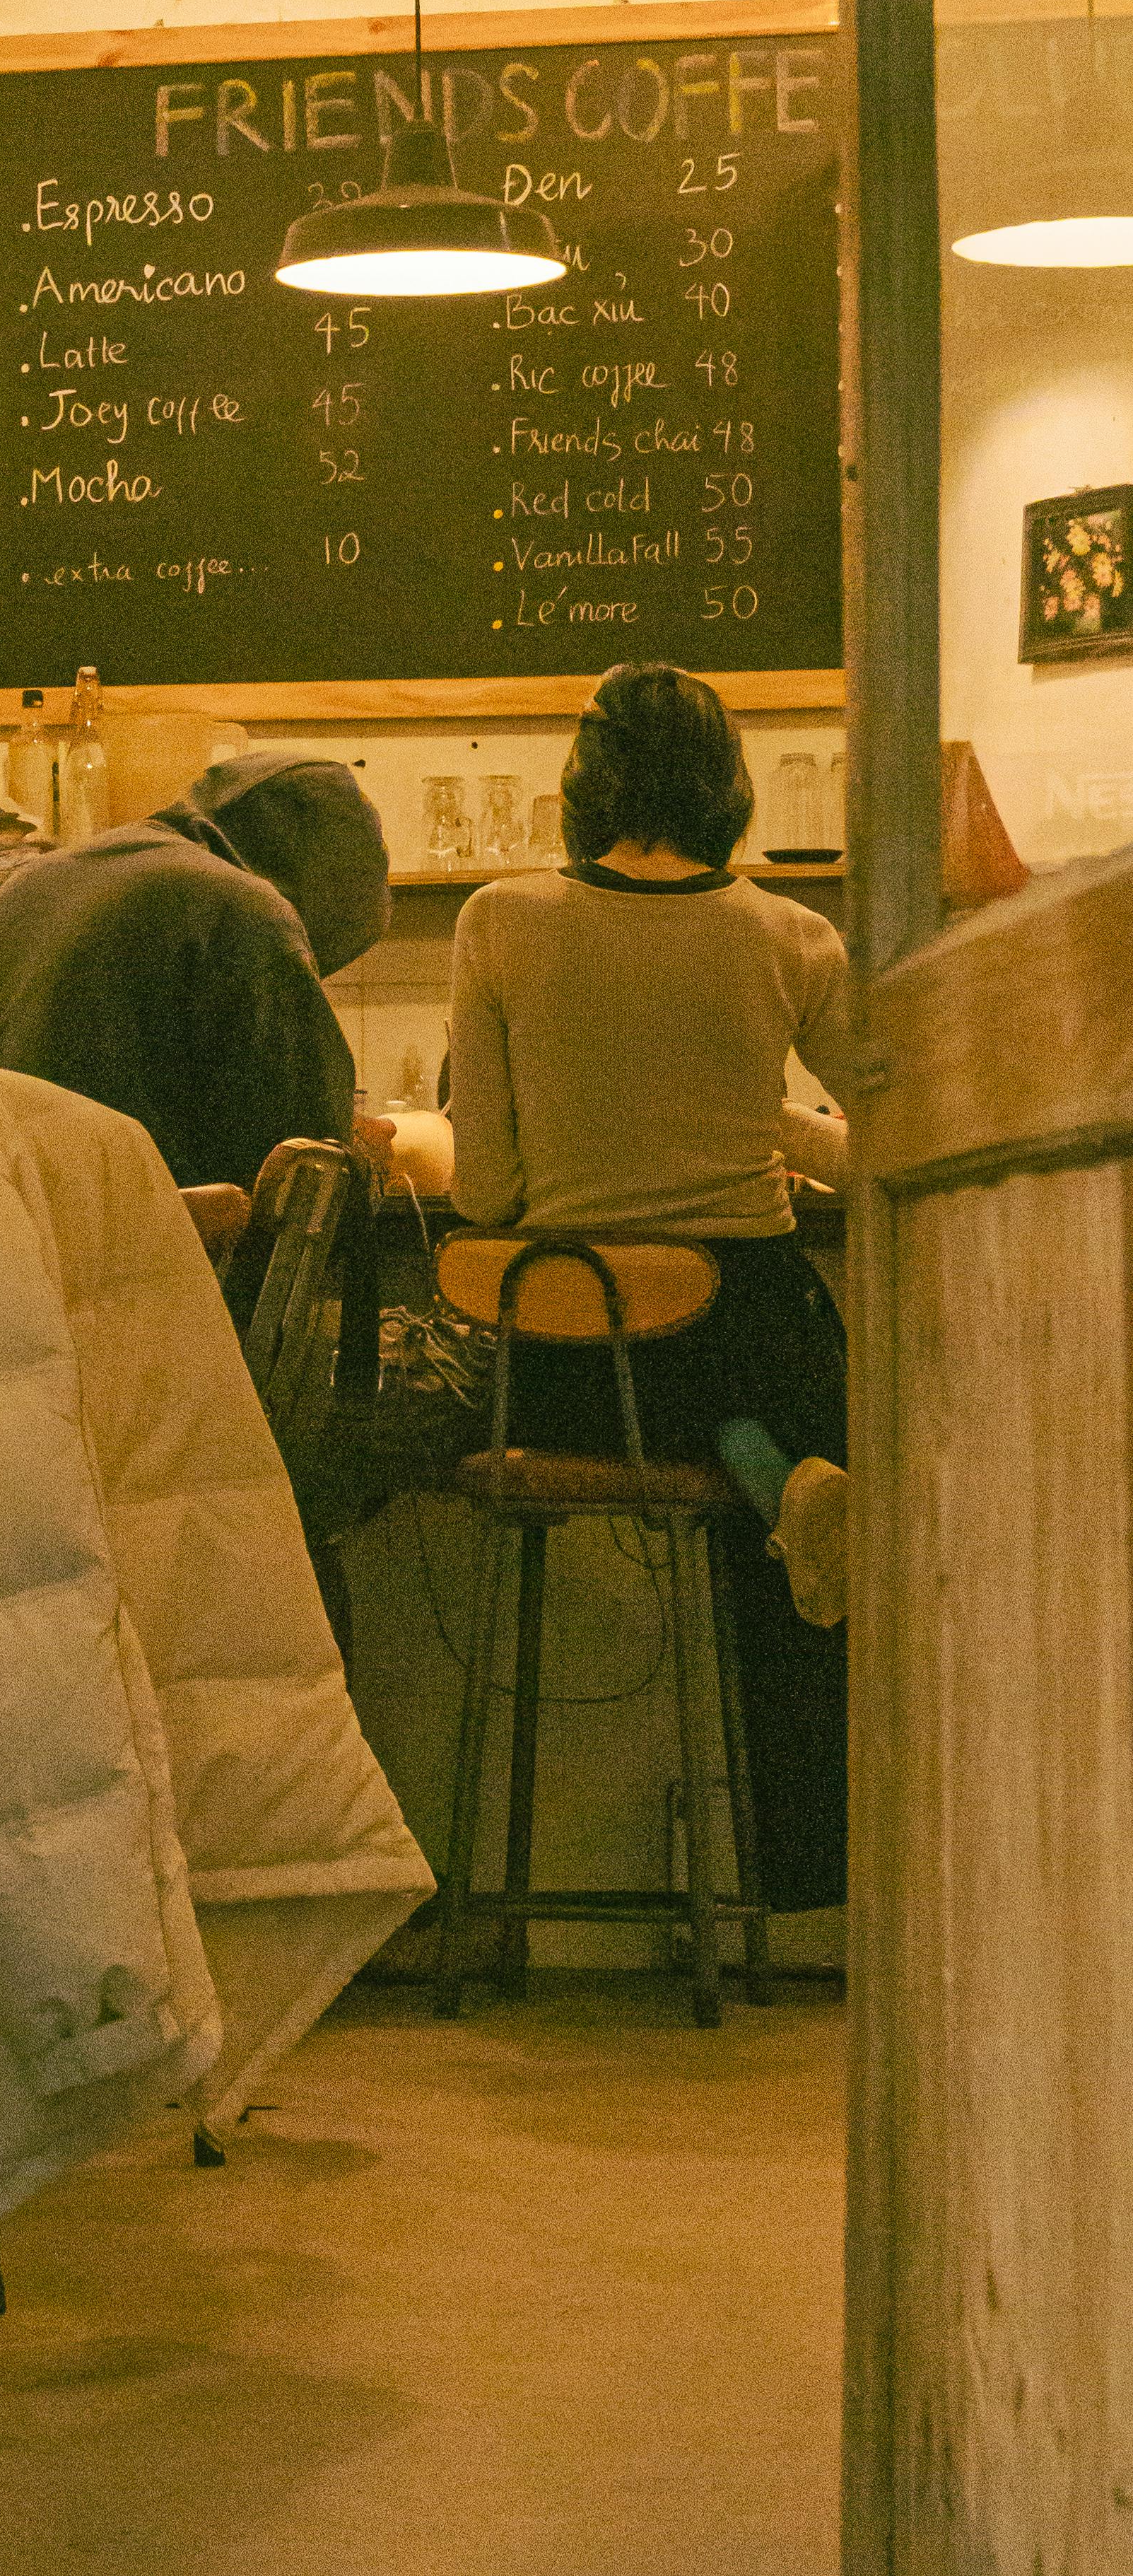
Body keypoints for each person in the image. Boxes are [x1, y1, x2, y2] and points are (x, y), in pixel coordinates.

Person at [447, 659, 855, 1912]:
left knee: (647, 1383)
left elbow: (486, 1194)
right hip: (752, 1328)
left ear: (583, 779)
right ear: (726, 782)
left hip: (573, 1366)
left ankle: (774, 1480)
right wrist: (764, 1120)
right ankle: (807, 1883)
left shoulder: (499, 920)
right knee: (781, 1440)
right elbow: (897, 1136)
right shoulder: (792, 935)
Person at [0, 751, 392, 1193]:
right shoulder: (243, 907)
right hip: (127, 1257)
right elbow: (302, 1157)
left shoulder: (23, 888)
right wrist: (366, 1154)